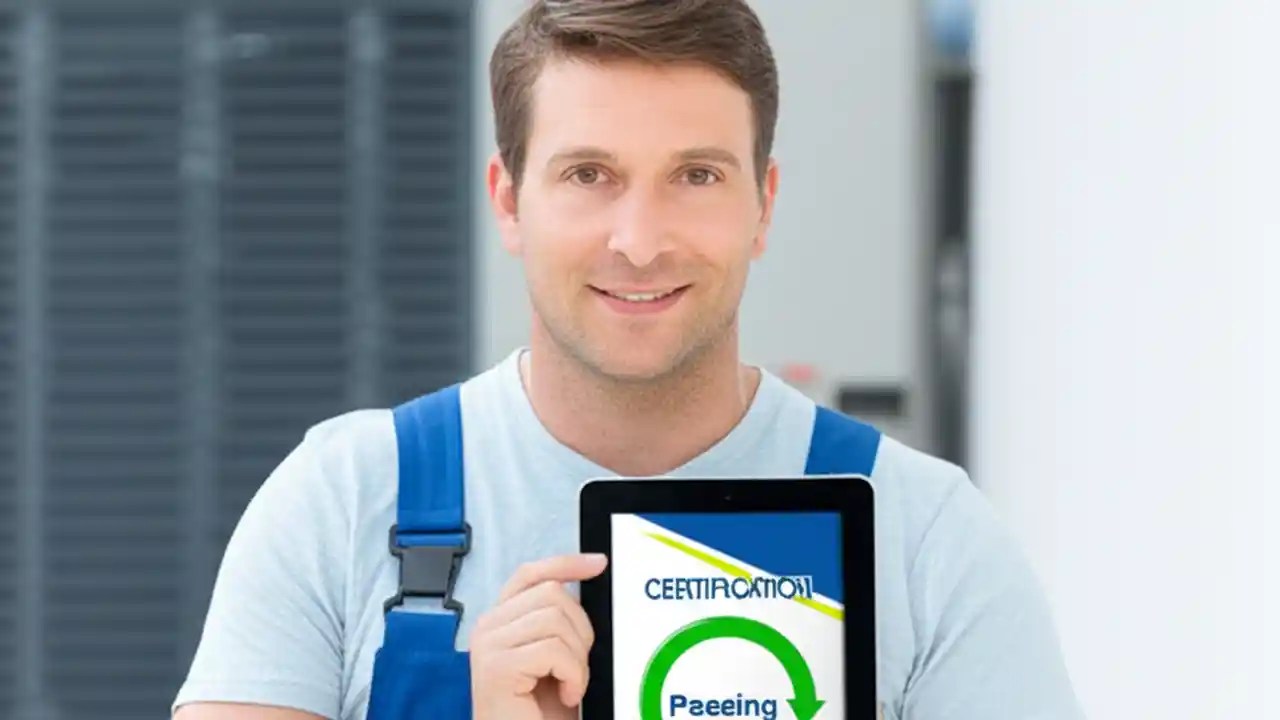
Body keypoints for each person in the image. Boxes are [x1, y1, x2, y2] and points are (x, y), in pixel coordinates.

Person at [171, 1, 1083, 718]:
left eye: (696, 175)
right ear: (509, 200)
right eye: (587, 175)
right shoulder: (341, 504)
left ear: (762, 206)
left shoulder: (925, 539)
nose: (640, 242)